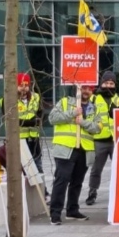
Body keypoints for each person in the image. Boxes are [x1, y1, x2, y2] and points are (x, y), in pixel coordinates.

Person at [47, 85, 102, 225]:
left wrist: (82, 122)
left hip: (84, 149)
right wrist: (72, 113)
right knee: (61, 181)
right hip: (65, 148)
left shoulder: (94, 108)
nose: (86, 91)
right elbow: (52, 118)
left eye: (89, 89)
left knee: (77, 182)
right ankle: (55, 213)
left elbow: (98, 128)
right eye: (84, 88)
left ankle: (72, 210)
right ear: (78, 89)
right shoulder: (65, 102)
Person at [0, 72, 46, 200]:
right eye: (21, 85)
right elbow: (10, 120)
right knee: (20, 167)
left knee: (37, 165)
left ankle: (43, 192)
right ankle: (22, 194)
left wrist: (28, 121)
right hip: (18, 139)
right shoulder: (8, 99)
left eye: (26, 85)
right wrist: (31, 122)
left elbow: (41, 116)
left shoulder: (36, 97)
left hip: (34, 138)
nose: (24, 88)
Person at [85, 71, 118, 206]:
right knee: (96, 169)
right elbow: (88, 117)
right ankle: (92, 192)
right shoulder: (93, 98)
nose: (109, 86)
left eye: (111, 83)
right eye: (106, 83)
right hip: (98, 139)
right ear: (101, 83)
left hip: (116, 139)